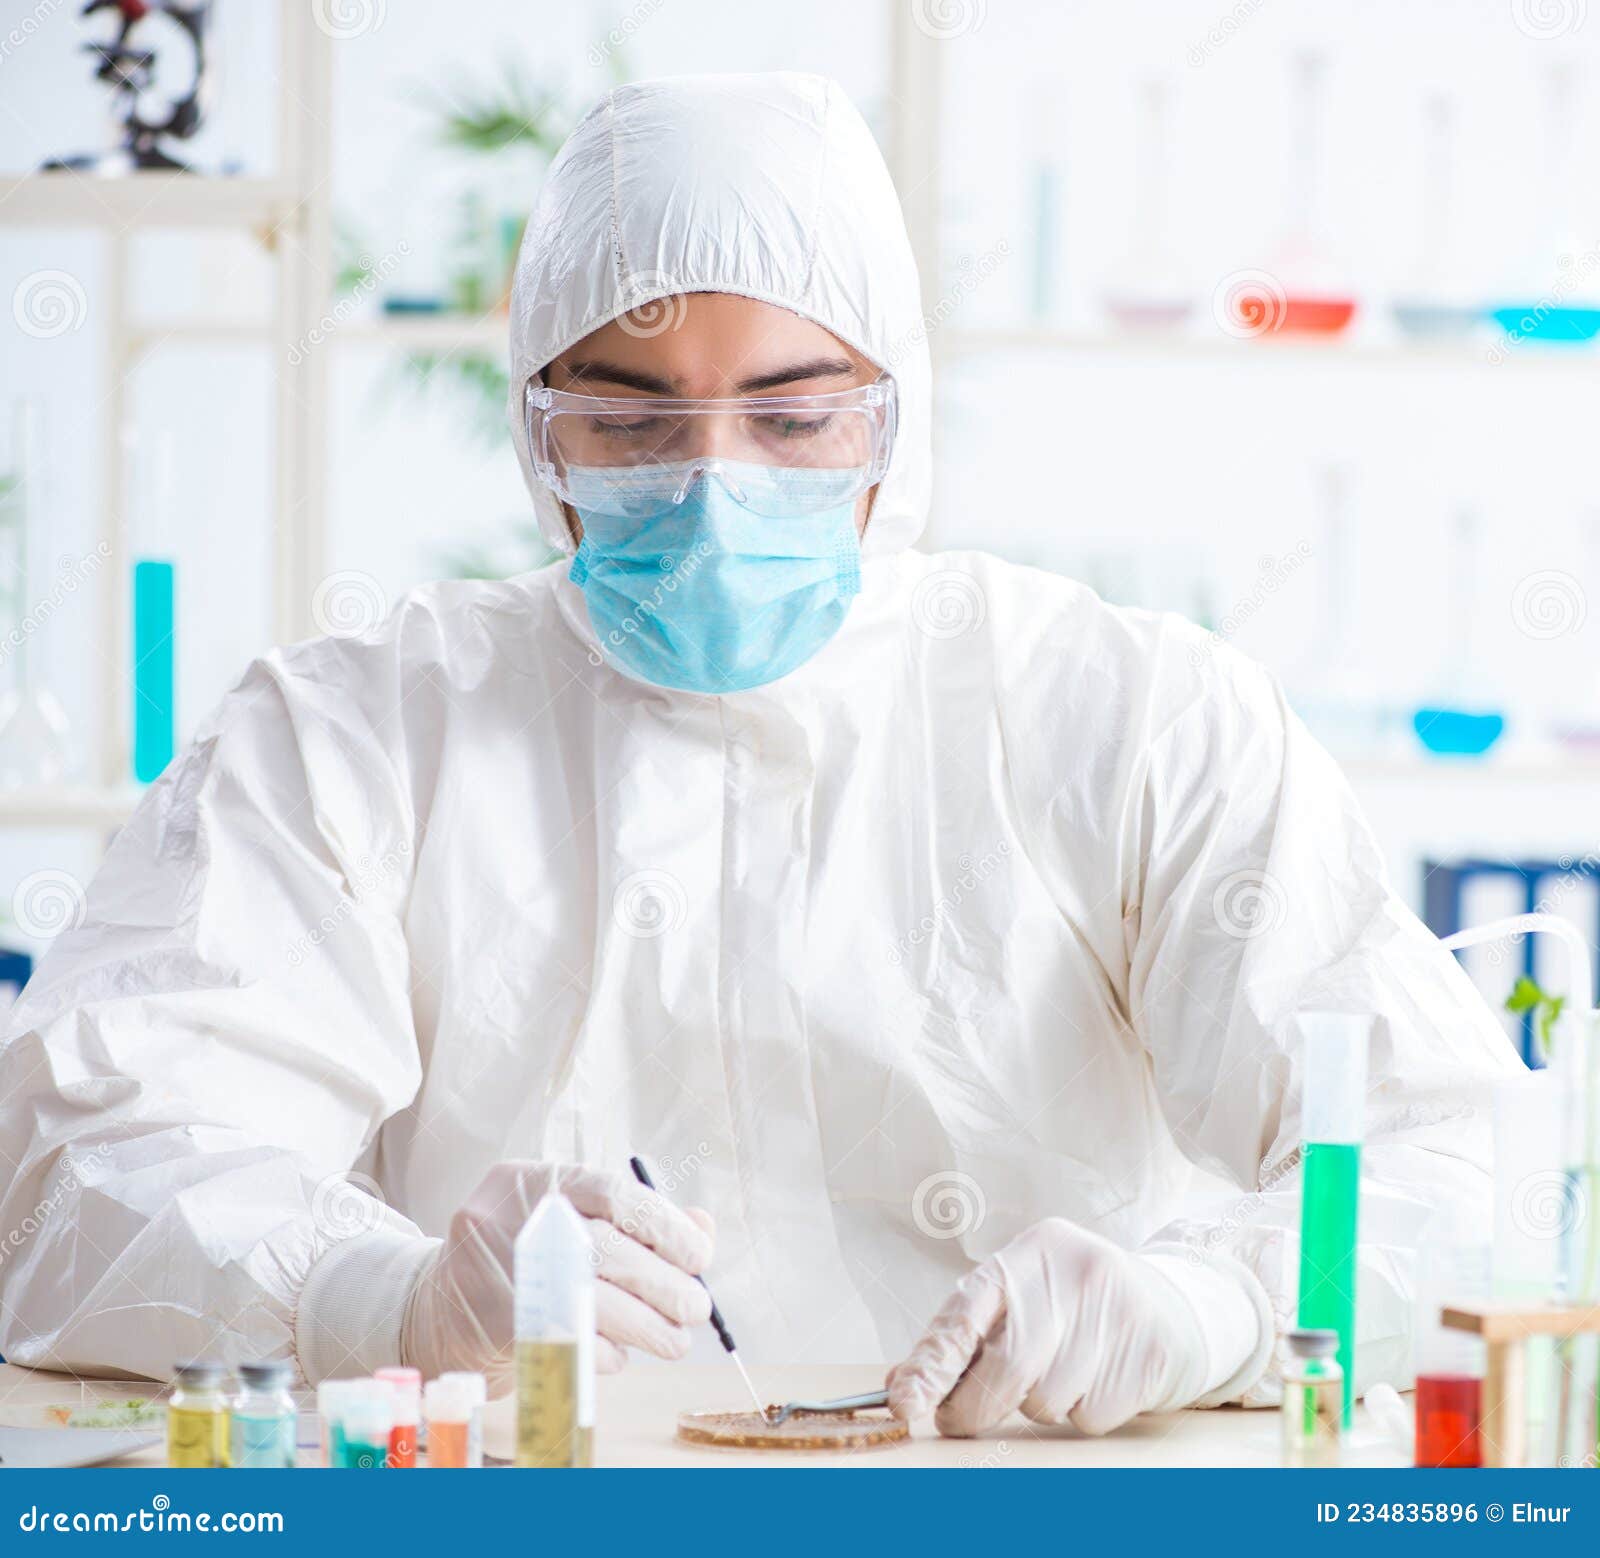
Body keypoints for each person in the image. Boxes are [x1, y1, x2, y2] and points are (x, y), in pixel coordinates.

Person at [0, 73, 1517, 1436]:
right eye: (631, 419)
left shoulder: (1128, 717)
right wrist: (381, 1299)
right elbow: (83, 1173)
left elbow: (1448, 1160)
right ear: (539, 432)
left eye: (796, 418)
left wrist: (1207, 1306)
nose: (715, 489)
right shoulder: (349, 737)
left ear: (893, 423)